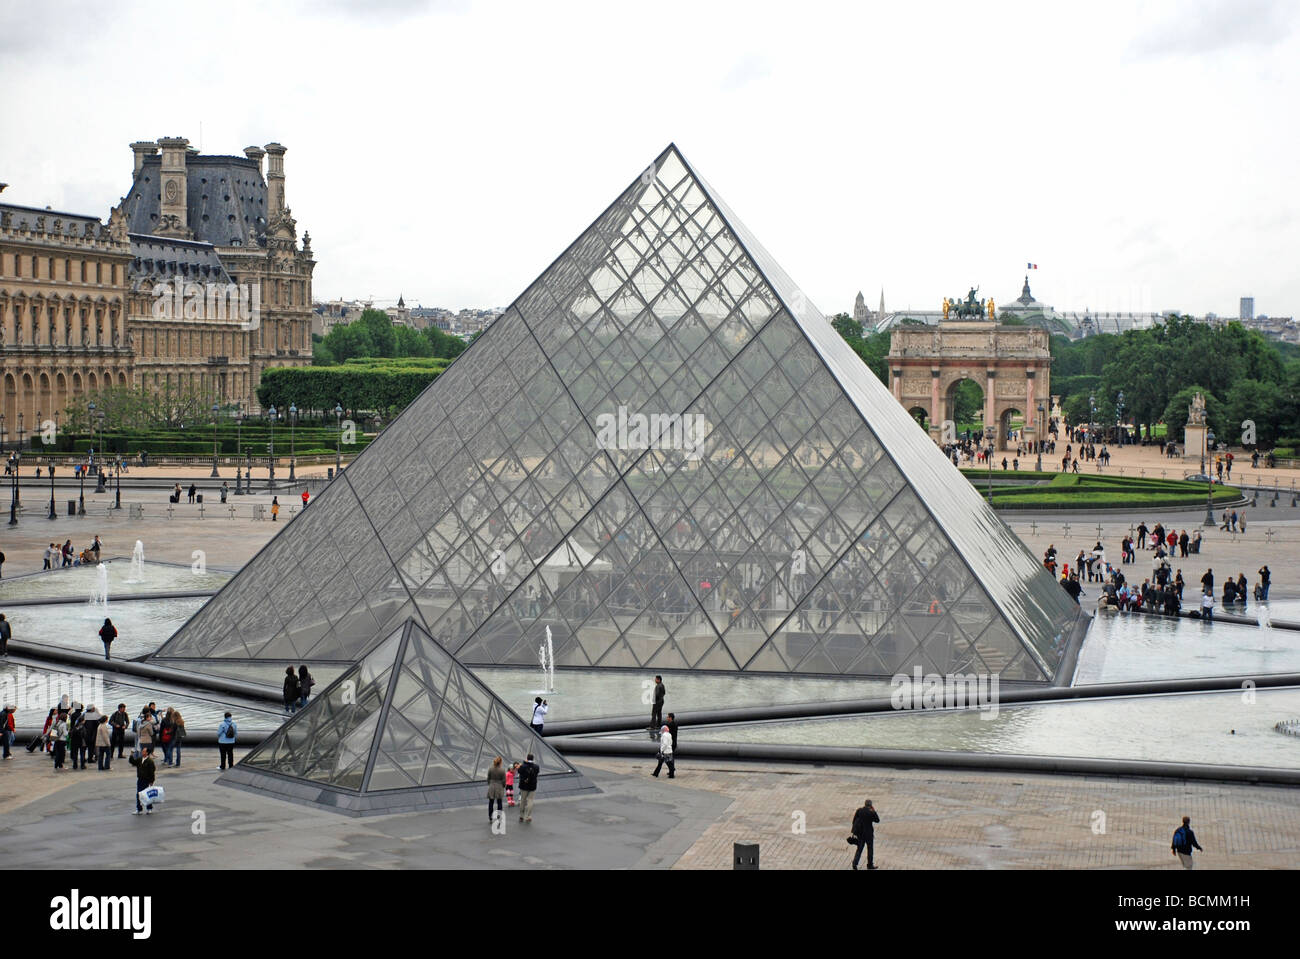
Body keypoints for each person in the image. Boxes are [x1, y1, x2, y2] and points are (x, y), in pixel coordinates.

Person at [850, 799, 881, 870]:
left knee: (859, 849)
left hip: (860, 834)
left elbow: (854, 821)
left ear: (864, 804)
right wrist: (874, 811)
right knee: (870, 849)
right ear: (870, 805)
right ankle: (870, 865)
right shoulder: (871, 812)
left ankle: (855, 864)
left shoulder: (859, 810)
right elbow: (877, 820)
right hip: (869, 834)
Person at [130, 746, 157, 815]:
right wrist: (131, 755)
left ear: (147, 753)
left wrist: (151, 781)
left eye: (144, 751)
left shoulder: (150, 761)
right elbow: (133, 762)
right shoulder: (140, 759)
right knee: (139, 794)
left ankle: (149, 808)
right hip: (140, 780)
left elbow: (152, 772)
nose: (142, 752)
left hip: (147, 780)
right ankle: (139, 809)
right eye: (142, 751)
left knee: (147, 795)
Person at [517, 753, 540, 823]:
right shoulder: (536, 767)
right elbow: (537, 773)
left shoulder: (523, 766)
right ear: (533, 759)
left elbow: (519, 771)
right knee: (530, 801)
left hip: (524, 785)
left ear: (527, 758)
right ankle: (528, 816)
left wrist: (524, 762)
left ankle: (521, 816)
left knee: (523, 801)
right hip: (532, 786)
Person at [486, 755, 506, 823]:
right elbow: (504, 780)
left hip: (492, 786)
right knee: (499, 802)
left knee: (491, 802)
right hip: (499, 786)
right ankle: (499, 816)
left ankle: (490, 816)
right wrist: (503, 786)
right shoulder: (502, 770)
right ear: (500, 762)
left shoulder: (490, 768)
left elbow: (488, 778)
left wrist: (490, 784)